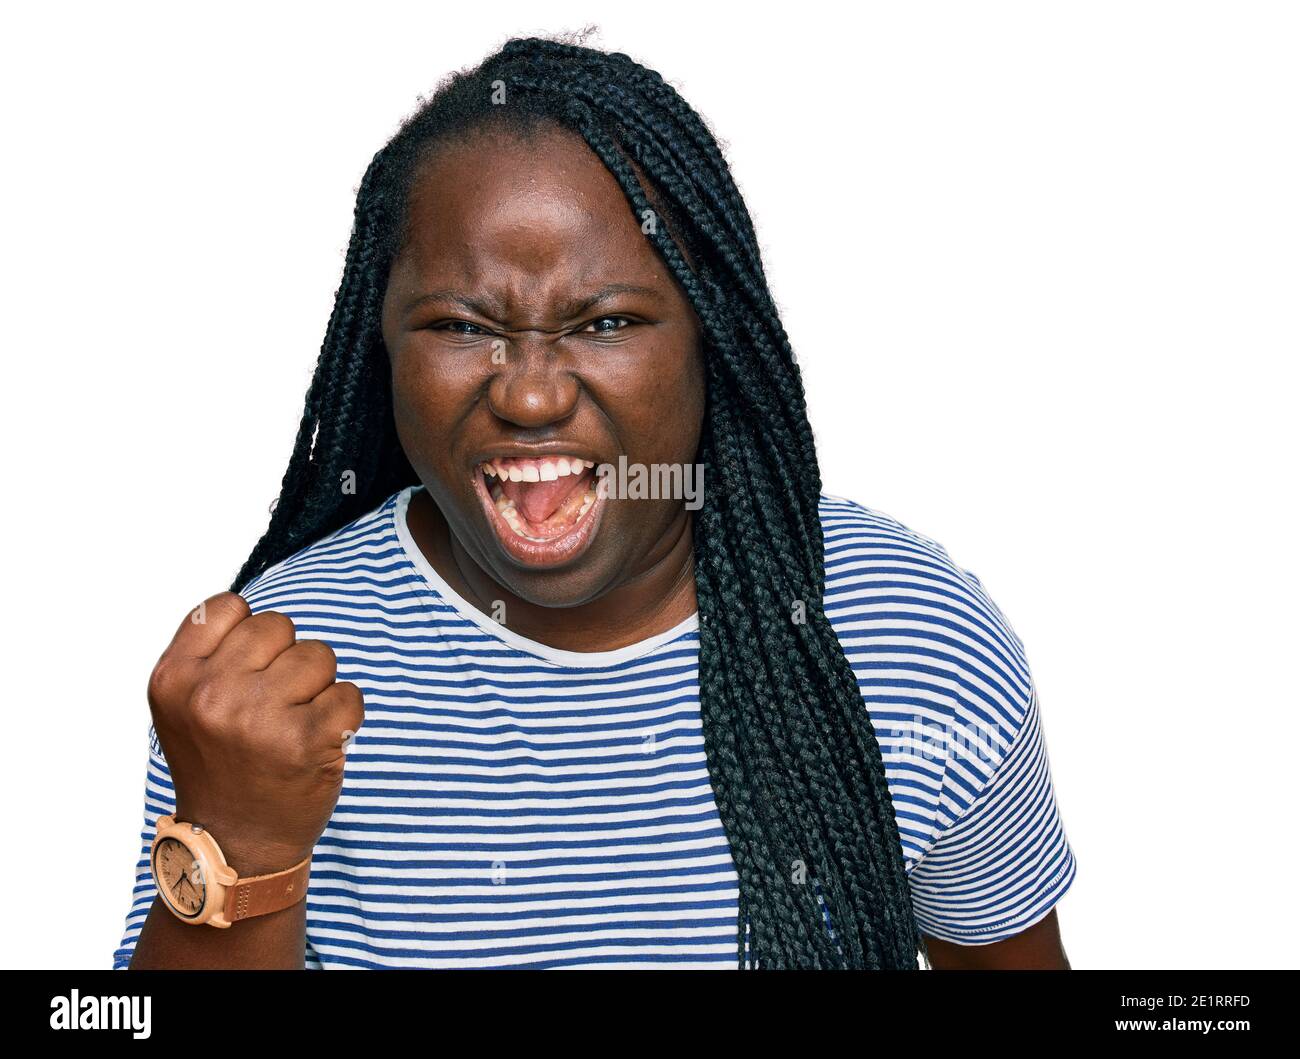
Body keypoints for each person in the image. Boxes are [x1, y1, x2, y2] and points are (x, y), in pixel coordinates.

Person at [116, 36, 1076, 970]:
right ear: (383, 350)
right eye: (459, 324)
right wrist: (240, 845)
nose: (529, 395)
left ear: (714, 336)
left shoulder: (901, 630)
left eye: (608, 320)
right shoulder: (274, 668)